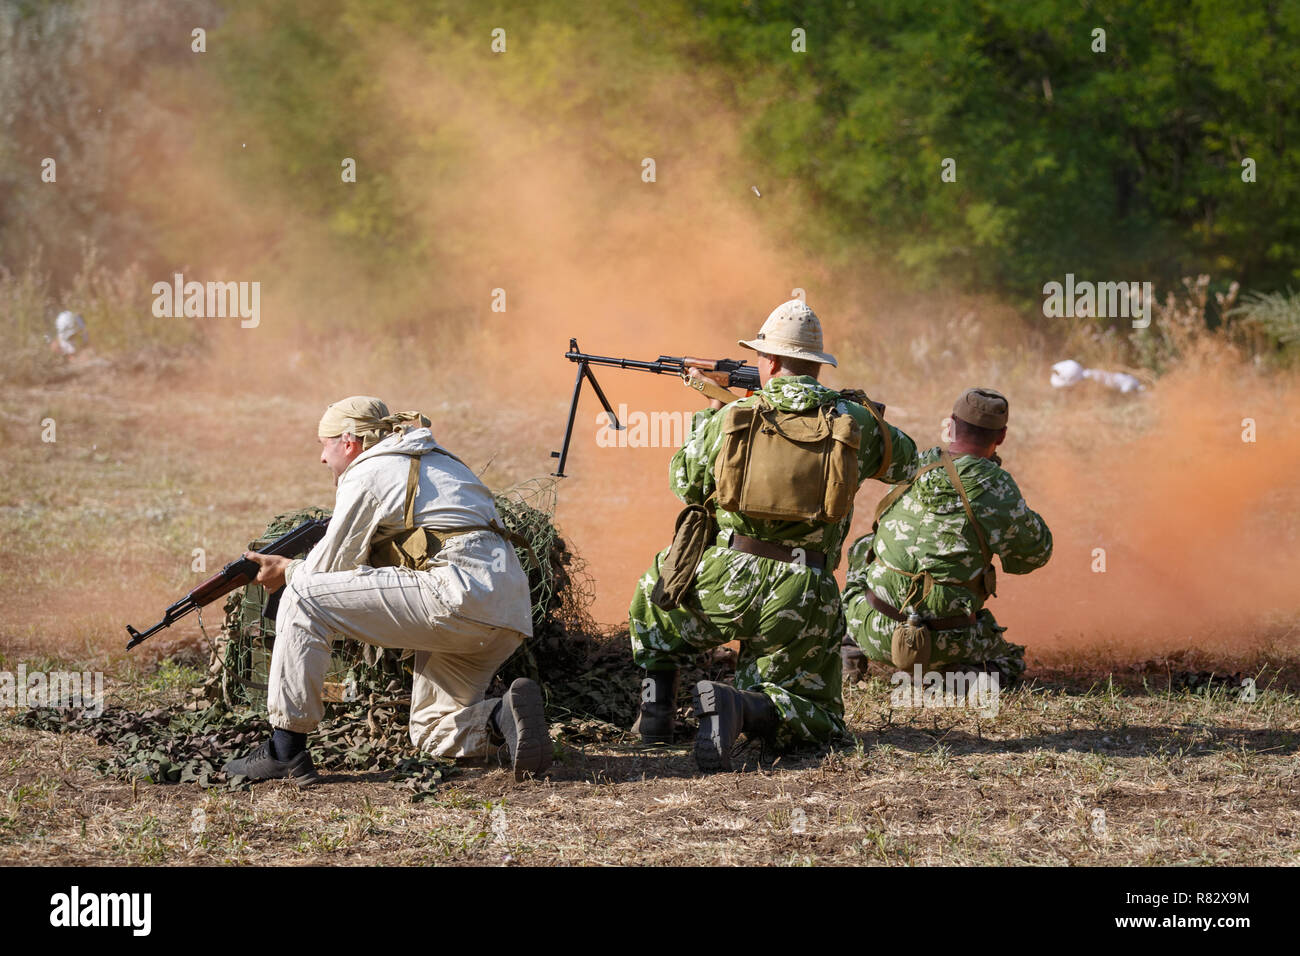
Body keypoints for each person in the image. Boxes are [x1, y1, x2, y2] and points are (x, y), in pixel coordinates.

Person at [628, 300, 918, 771]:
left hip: (722, 579)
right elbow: (905, 462)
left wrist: (713, 410)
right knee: (818, 715)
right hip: (804, 593)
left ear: (771, 362)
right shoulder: (855, 421)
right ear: (816, 366)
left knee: (650, 600)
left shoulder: (732, 415)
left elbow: (686, 484)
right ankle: (744, 708)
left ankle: (655, 716)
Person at [223, 396, 549, 786]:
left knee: (303, 595)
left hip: (454, 596)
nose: (322, 459)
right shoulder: (441, 459)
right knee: (431, 731)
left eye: (323, 445)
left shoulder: (371, 469)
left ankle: (284, 750)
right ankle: (502, 716)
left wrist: (286, 570)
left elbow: (328, 569)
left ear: (349, 442)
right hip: (507, 612)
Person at [841, 388, 1052, 684]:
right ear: (1001, 436)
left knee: (865, 546)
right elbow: (1033, 555)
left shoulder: (915, 463)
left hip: (874, 630)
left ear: (950, 425)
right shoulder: (996, 486)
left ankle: (849, 648)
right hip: (946, 644)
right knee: (1008, 659)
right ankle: (951, 680)